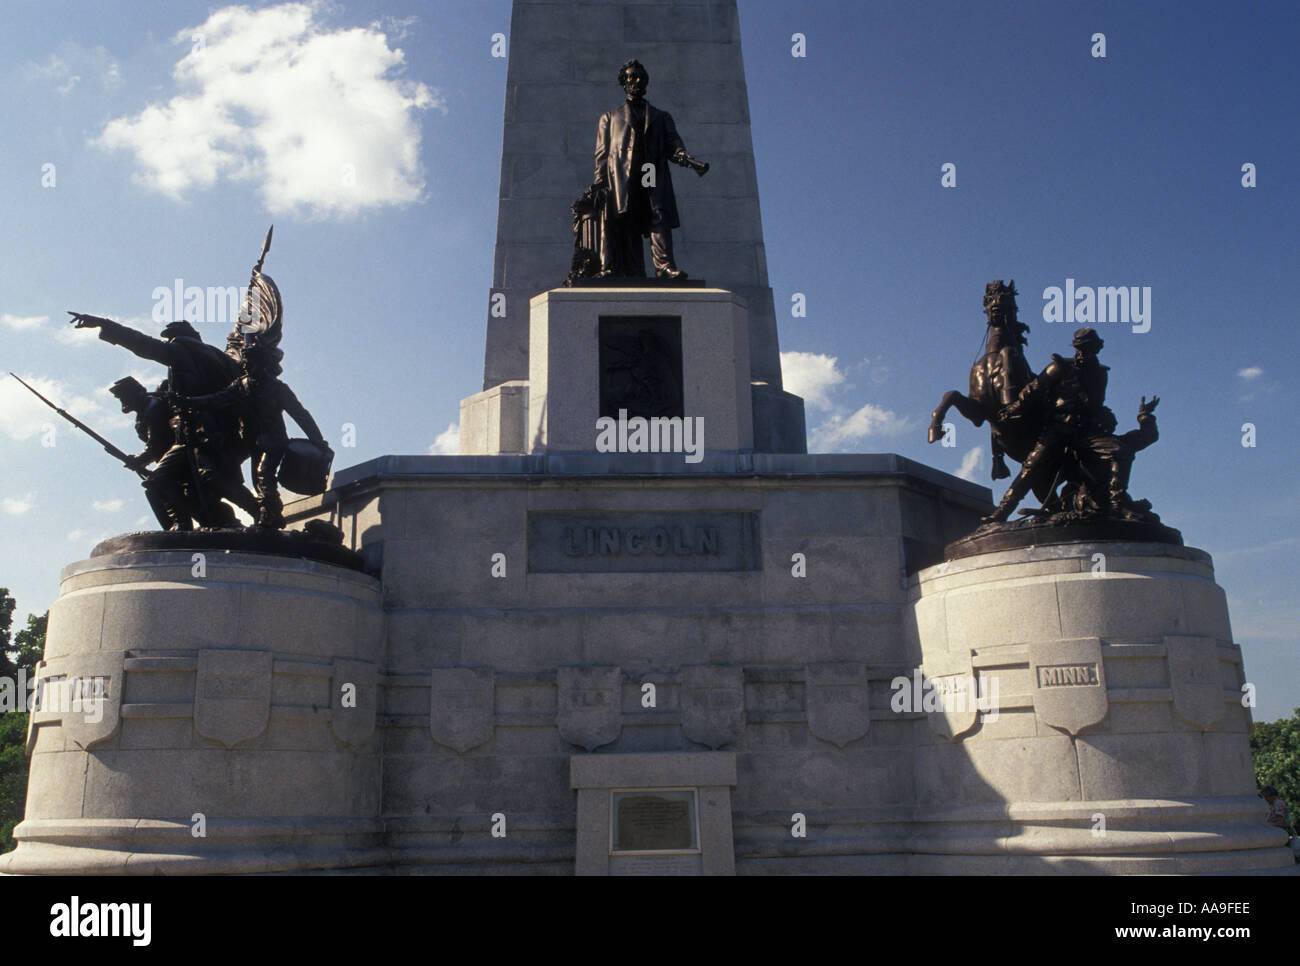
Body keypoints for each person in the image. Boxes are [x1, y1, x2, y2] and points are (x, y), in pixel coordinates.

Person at [176, 338, 330, 530]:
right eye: (245, 361)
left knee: (263, 474)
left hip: (273, 440)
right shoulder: (242, 384)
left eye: (250, 361)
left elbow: (300, 414)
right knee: (232, 473)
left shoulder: (278, 388)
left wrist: (318, 439)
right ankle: (268, 514)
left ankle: (269, 515)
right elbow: (215, 399)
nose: (245, 365)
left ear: (262, 363)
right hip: (249, 440)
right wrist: (188, 402)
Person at [594, 59, 699, 279]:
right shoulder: (610, 117)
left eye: (641, 77)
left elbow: (673, 143)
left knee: (657, 214)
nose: (637, 81)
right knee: (627, 218)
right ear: (624, 82)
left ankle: (664, 267)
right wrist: (600, 182)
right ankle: (630, 270)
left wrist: (682, 155)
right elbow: (602, 154)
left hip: (650, 170)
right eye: (632, 77)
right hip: (623, 175)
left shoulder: (661, 116)